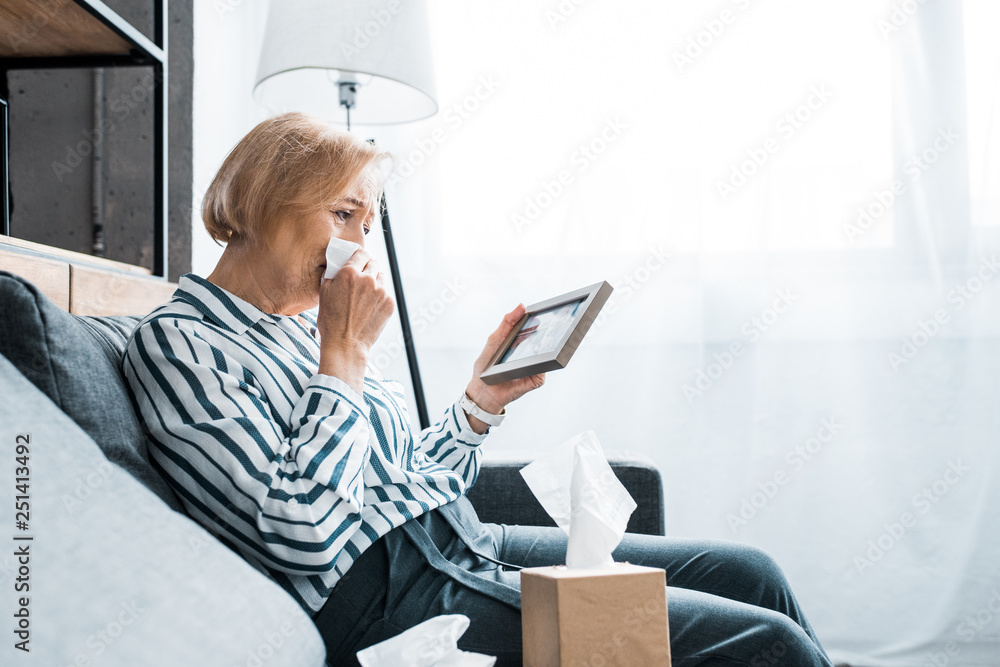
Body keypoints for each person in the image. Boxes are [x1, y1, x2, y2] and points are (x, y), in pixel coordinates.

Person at [122, 112, 834, 666]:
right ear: (259, 198)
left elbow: (413, 483)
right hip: (384, 593)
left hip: (458, 542)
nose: (356, 248)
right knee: (767, 643)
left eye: (366, 227)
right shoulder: (181, 343)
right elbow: (304, 534)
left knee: (752, 573)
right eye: (343, 215)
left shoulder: (305, 328)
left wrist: (477, 404)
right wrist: (342, 357)